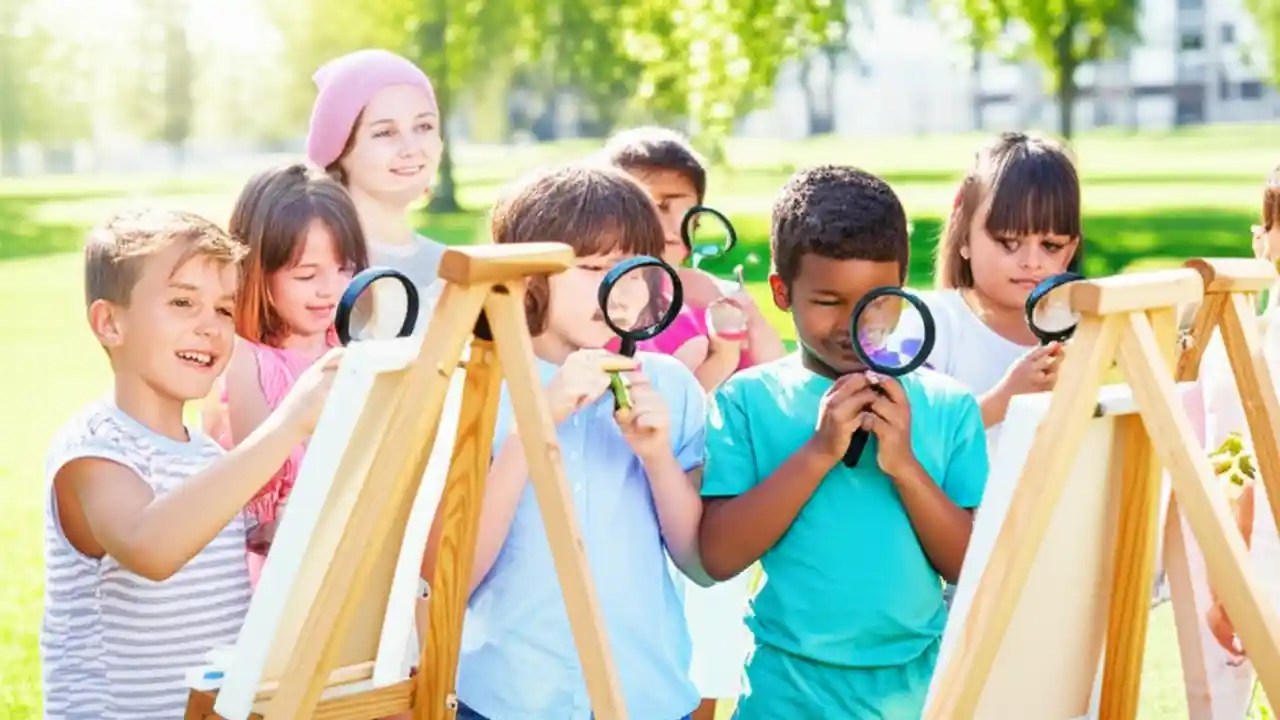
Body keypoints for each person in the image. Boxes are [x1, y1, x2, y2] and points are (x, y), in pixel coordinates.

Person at [697, 165, 990, 719]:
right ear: (782, 292)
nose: (853, 324)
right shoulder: (748, 401)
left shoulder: (948, 407)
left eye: (876, 300)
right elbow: (718, 556)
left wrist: (905, 467)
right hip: (785, 694)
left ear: (903, 290)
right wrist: (818, 454)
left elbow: (969, 568)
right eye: (828, 300)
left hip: (913, 695)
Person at [42, 209, 340, 719]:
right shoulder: (92, 449)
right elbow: (152, 546)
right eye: (183, 303)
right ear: (110, 323)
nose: (211, 328)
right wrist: (287, 424)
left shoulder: (209, 457)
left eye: (224, 310)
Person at [445, 163, 708, 720]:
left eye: (634, 269)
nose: (619, 289)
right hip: (509, 697)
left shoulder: (669, 387)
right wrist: (535, 426)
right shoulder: (475, 390)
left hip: (645, 696)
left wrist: (657, 457)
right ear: (525, 277)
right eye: (592, 268)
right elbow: (449, 579)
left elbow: (697, 559)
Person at [206, 163, 368, 585]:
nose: (330, 289)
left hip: (353, 561)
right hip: (277, 575)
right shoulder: (245, 360)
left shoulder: (352, 347)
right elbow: (261, 477)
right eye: (306, 275)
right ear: (256, 270)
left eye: (345, 268)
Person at [896, 131, 1085, 438]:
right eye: (1009, 242)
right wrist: (1003, 401)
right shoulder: (933, 326)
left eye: (1051, 246)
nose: (1032, 262)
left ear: (1070, 250)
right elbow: (905, 434)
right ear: (964, 236)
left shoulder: (1079, 335)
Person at [601, 126, 787, 389]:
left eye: (691, 214)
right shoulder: (610, 308)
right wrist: (724, 357)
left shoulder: (704, 293)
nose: (676, 227)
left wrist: (753, 322)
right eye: (658, 207)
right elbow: (669, 404)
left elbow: (776, 379)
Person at [306, 48, 447, 333]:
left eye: (424, 126)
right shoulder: (319, 271)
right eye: (384, 132)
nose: (411, 148)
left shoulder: (451, 264)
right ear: (339, 149)